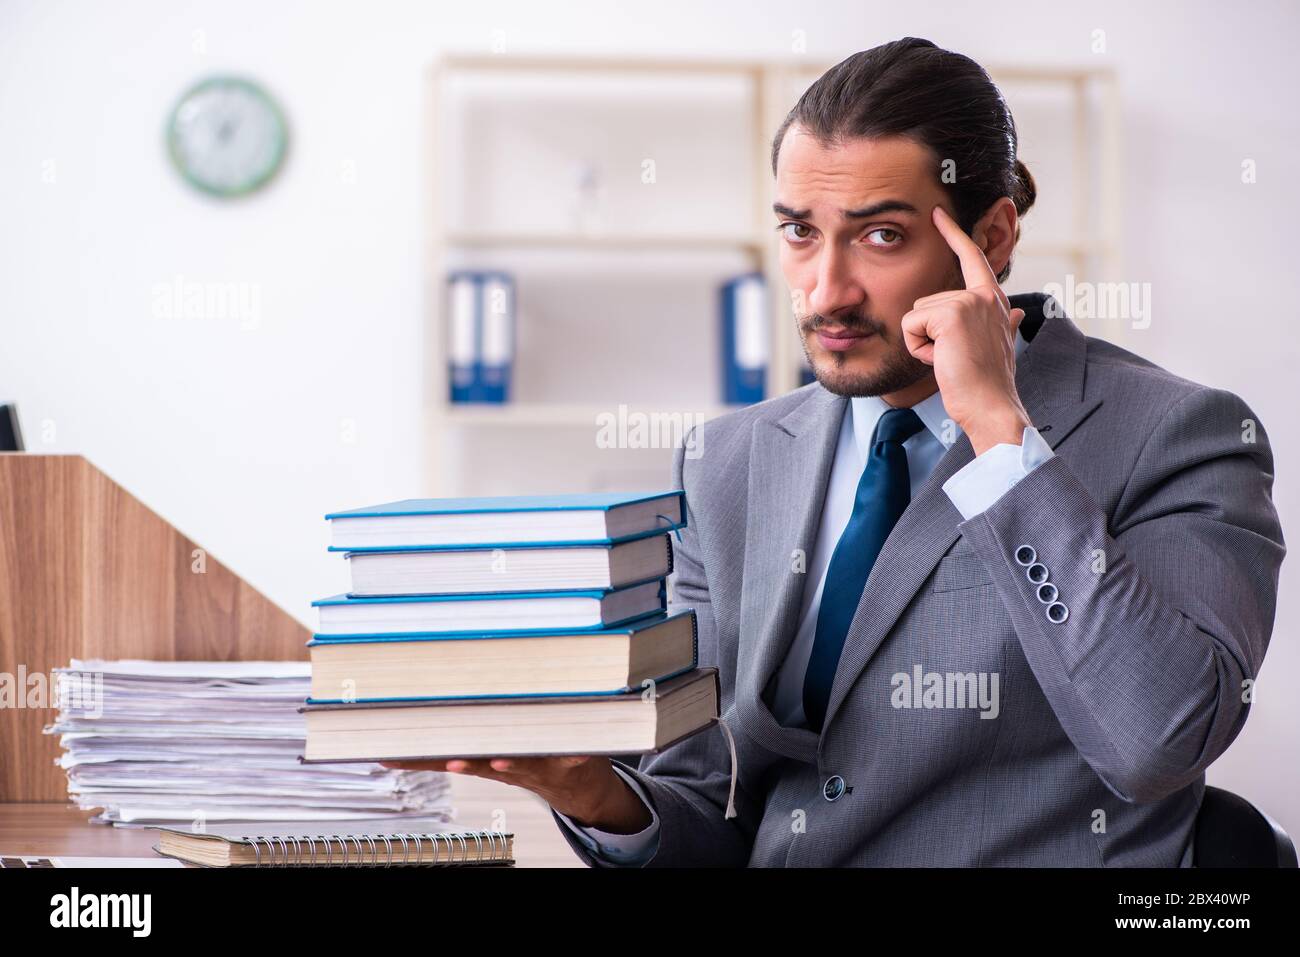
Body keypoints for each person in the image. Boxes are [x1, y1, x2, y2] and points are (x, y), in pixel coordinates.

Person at [382, 37, 1285, 866]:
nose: (827, 290)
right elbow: (705, 815)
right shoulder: (727, 463)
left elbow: (1156, 740)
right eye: (800, 233)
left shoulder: (1180, 435)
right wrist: (588, 790)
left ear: (994, 238)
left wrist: (1004, 444)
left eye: (881, 235)